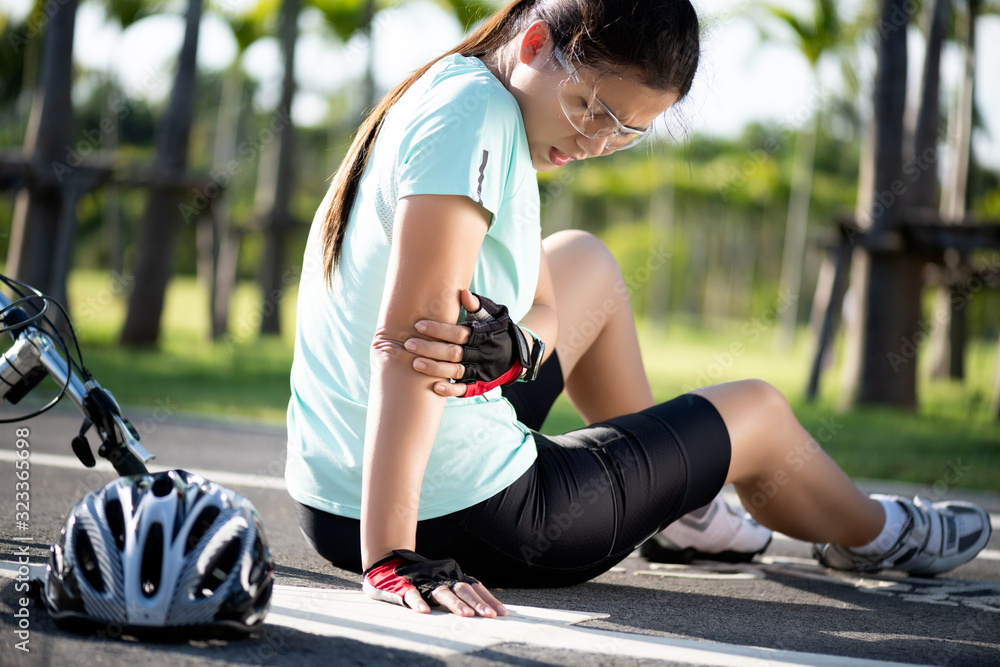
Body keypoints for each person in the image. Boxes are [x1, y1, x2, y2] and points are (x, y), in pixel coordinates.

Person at [285, 0, 991, 618]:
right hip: (465, 517)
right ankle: (876, 534)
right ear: (534, 44)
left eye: (626, 130)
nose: (596, 143)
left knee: (586, 260)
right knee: (761, 413)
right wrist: (392, 554)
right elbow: (408, 344)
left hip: (333, 494)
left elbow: (544, 303)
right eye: (591, 109)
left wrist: (520, 347)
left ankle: (682, 517)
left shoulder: (472, 90)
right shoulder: (471, 119)